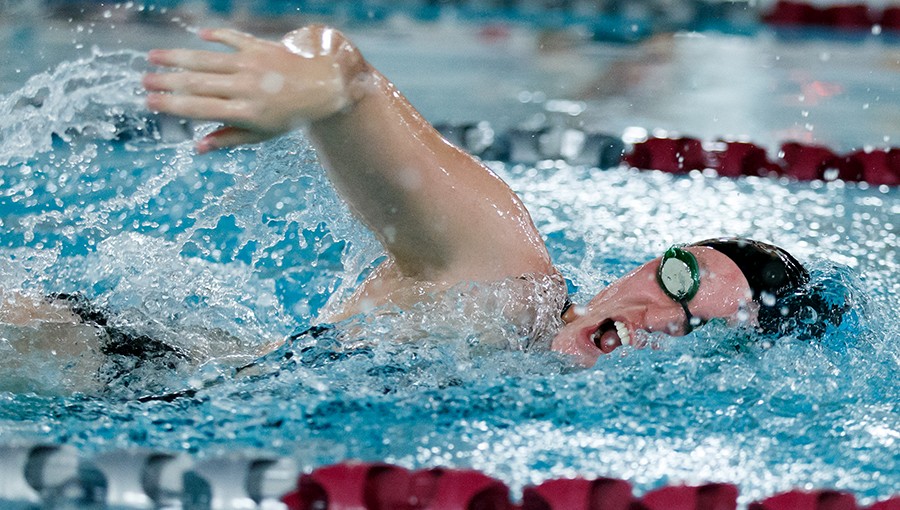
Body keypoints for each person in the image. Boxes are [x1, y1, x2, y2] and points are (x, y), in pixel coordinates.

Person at [136, 25, 844, 368]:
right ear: (651, 261)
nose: (655, 316)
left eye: (699, 330)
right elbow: (350, 77)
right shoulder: (506, 284)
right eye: (679, 279)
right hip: (123, 368)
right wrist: (318, 84)